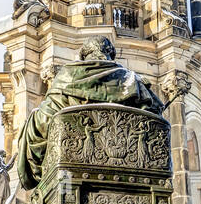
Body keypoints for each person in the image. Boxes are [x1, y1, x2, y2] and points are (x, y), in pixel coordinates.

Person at [16, 36, 164, 190]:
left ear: (84, 55)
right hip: (131, 173)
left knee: (33, 119)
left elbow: (44, 122)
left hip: (69, 170)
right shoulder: (133, 82)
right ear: (110, 54)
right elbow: (155, 117)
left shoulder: (68, 76)